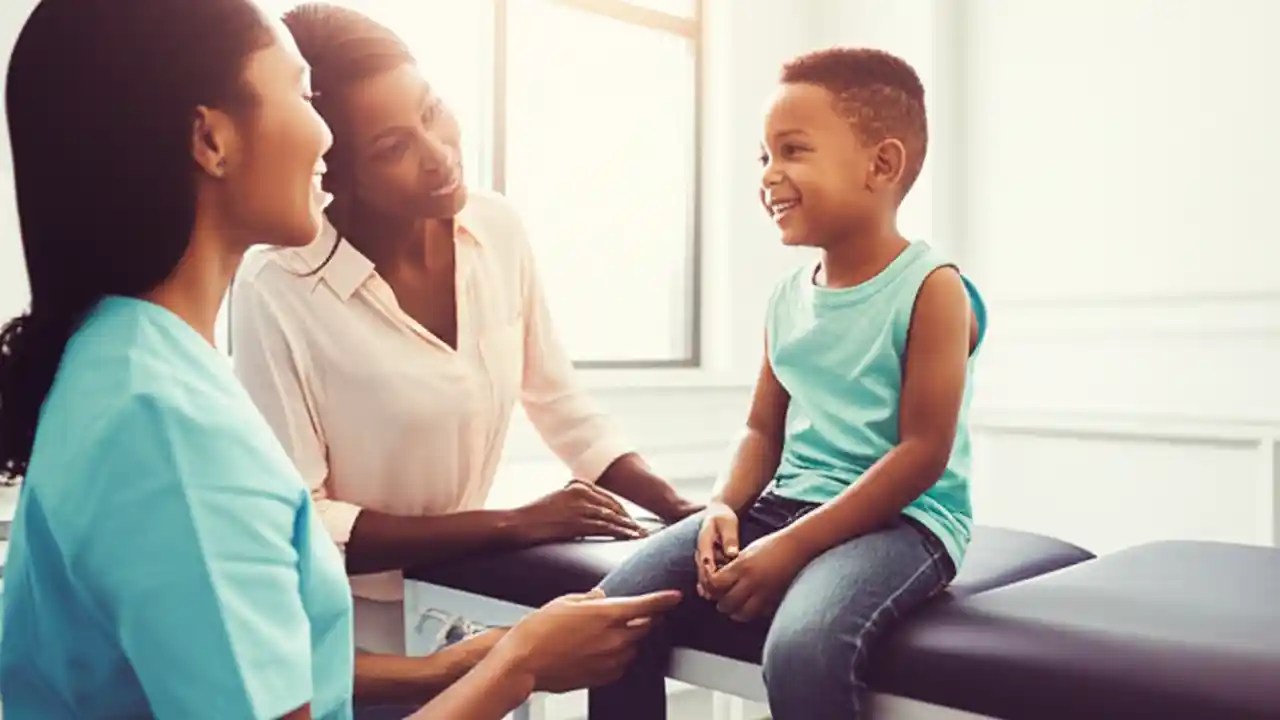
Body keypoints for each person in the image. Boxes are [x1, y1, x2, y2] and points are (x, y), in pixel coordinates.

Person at [0, 1, 678, 718]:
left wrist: (455, 665)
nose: (323, 135)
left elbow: (264, 669)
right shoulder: (167, 425)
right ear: (211, 138)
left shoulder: (125, 358)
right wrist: (519, 665)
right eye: (299, 92)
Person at [229, 2, 701, 655]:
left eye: (432, 111)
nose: (438, 154)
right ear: (333, 173)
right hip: (345, 629)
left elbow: (561, 405)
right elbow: (307, 520)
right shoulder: (277, 287)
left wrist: (683, 514)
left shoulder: (495, 229)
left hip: (461, 599)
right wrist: (513, 524)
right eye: (393, 147)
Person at [587, 48, 988, 719]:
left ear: (881, 165)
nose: (770, 175)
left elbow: (923, 453)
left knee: (803, 648)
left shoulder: (933, 289)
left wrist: (792, 548)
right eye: (764, 157)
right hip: (784, 504)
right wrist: (722, 505)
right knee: (610, 615)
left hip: (905, 525)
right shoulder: (785, 297)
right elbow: (761, 428)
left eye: (793, 151)